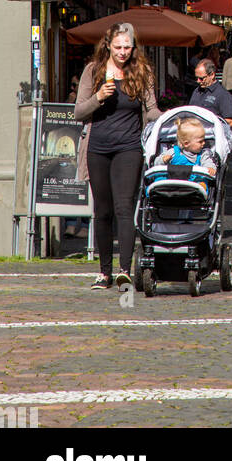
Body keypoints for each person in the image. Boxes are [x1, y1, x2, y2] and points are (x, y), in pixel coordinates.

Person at [74, 23, 161, 289]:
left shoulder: (141, 72)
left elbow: (151, 109)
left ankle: (124, 270)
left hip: (128, 147)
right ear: (108, 46)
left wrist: (171, 119)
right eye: (118, 47)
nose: (123, 52)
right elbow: (79, 112)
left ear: (133, 48)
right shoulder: (93, 71)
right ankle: (104, 272)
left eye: (127, 47)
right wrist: (99, 96)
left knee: (125, 208)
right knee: (102, 211)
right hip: (97, 148)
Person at [152, 116, 218, 181]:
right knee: (160, 178)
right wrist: (163, 160)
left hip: (193, 184)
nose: (204, 143)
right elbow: (156, 163)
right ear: (186, 144)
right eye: (200, 141)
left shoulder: (203, 155)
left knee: (203, 182)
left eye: (204, 140)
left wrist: (210, 168)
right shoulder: (173, 152)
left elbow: (208, 162)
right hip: (172, 181)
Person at [190, 57, 232, 126]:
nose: (198, 81)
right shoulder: (196, 91)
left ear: (212, 75)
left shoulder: (223, 94)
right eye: (196, 78)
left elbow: (229, 121)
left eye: (201, 78)